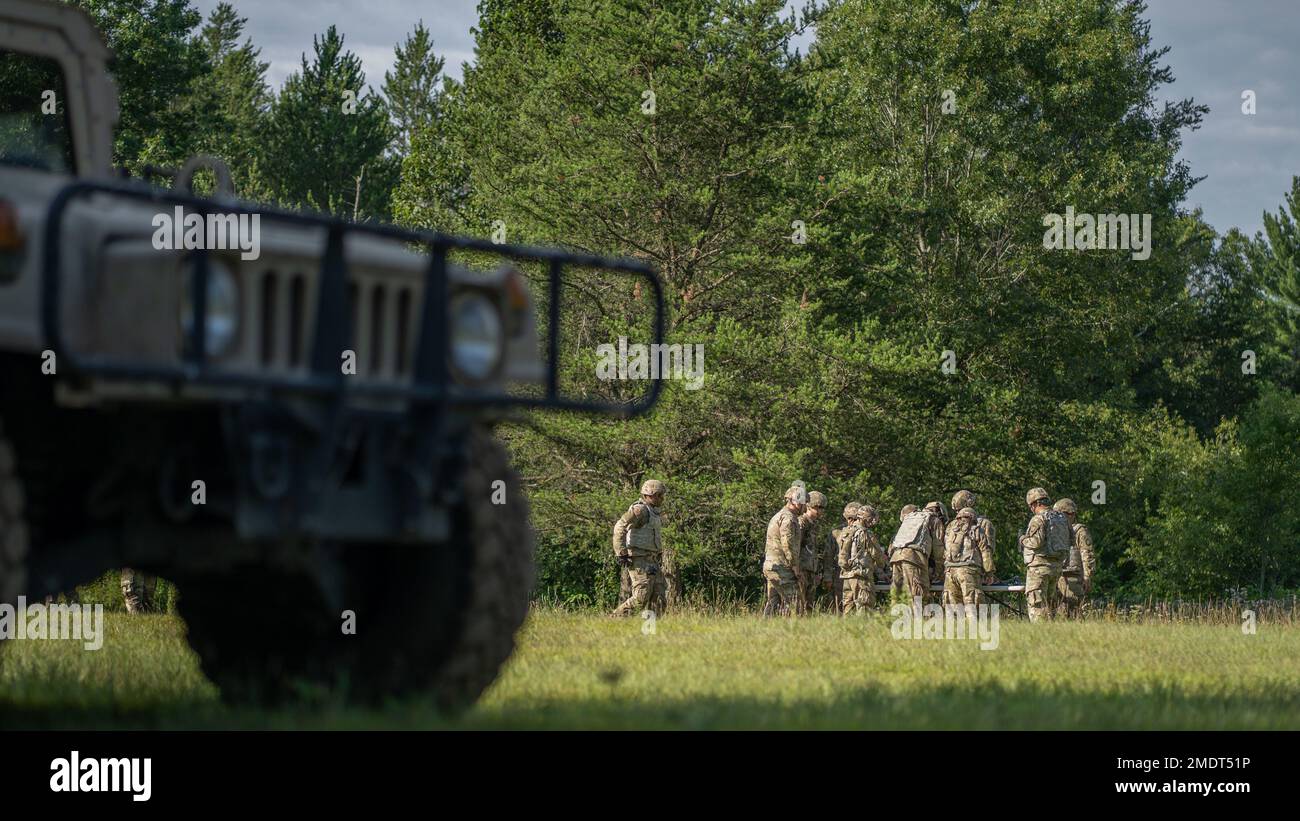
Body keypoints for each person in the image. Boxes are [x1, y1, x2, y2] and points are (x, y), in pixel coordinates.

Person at [612, 479, 668, 617]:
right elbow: (620, 526)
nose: (662, 498)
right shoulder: (640, 510)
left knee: (658, 598)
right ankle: (613, 620)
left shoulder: (654, 512)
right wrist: (621, 552)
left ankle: (650, 631)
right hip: (639, 559)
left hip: (652, 560)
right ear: (649, 495)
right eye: (659, 495)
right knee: (641, 597)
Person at [1018, 487, 1072, 622]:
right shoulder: (1061, 518)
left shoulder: (1038, 519)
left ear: (1035, 503)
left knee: (1037, 606)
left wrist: (1023, 539)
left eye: (1031, 506)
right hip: (1056, 567)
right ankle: (1050, 635)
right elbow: (1071, 538)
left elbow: (1035, 542)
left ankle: (1038, 636)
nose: (1031, 509)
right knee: (1050, 606)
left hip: (1039, 568)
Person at [763, 484, 807, 617]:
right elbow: (788, 544)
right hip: (781, 568)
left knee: (773, 603)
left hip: (772, 566)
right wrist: (795, 567)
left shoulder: (778, 516)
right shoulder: (788, 518)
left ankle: (763, 631)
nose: (805, 507)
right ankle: (792, 633)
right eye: (803, 503)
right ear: (796, 503)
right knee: (796, 604)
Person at [1053, 498, 1096, 618]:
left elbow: (1088, 554)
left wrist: (1088, 576)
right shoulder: (1056, 531)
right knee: (1060, 615)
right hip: (1058, 577)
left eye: (1059, 514)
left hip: (1074, 579)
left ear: (1070, 514)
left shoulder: (1080, 531)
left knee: (1074, 613)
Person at [942, 507, 994, 607]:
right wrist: (989, 573)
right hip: (969, 571)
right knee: (973, 604)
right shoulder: (976, 529)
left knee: (953, 607)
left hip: (950, 571)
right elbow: (985, 551)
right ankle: (975, 622)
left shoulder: (950, 530)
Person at [841, 504, 886, 614]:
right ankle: (862, 630)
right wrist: (882, 565)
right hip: (861, 576)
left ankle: (846, 630)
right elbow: (877, 555)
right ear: (866, 518)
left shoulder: (847, 531)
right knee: (865, 606)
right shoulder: (866, 533)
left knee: (848, 608)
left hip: (847, 575)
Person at [889, 504, 938, 605]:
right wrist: (940, 572)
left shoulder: (905, 525)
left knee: (896, 594)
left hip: (896, 557)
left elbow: (891, 548)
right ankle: (916, 620)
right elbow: (939, 549)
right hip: (913, 558)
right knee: (917, 594)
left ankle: (896, 619)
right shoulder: (930, 519)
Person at [798, 491, 835, 613]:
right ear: (809, 506)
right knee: (799, 605)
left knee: (809, 607)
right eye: (817, 507)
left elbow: (813, 550)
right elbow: (795, 547)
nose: (820, 511)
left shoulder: (815, 525)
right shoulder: (802, 522)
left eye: (822, 508)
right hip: (801, 568)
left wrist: (817, 571)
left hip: (811, 570)